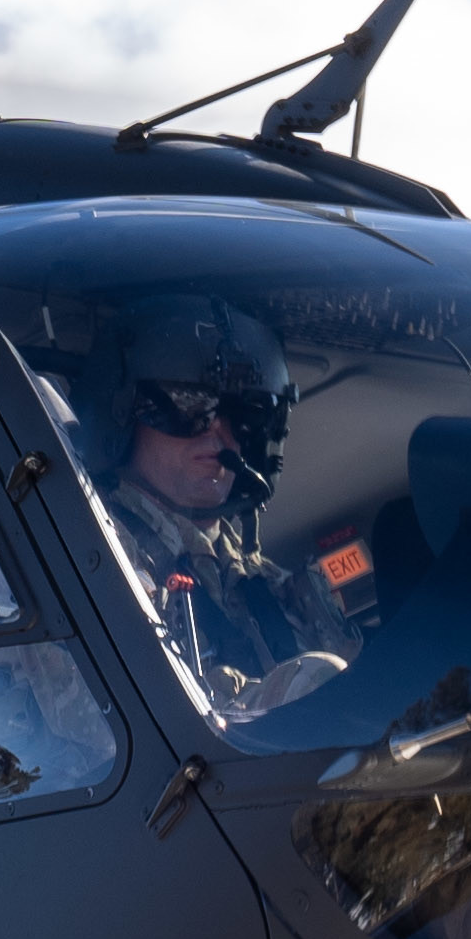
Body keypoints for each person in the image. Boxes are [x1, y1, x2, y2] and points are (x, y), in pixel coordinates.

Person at [90, 290, 352, 719]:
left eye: (245, 413)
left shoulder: (273, 584)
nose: (218, 431)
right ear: (121, 412)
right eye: (189, 406)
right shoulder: (87, 556)